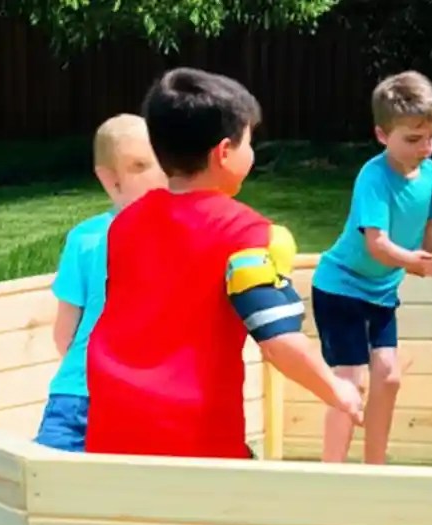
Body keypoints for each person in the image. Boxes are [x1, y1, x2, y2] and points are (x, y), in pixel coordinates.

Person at [83, 67, 364, 458]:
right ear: (224, 152)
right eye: (249, 141)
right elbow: (278, 339)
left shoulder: (124, 223)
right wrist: (338, 390)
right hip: (194, 436)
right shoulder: (246, 234)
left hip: (112, 423)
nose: (253, 151)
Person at [309, 70, 432, 465]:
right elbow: (376, 245)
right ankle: (331, 473)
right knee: (350, 381)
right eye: (412, 139)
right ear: (382, 135)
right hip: (340, 287)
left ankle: (375, 467)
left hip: (380, 293)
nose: (425, 148)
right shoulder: (373, 177)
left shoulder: (431, 174)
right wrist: (420, 267)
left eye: (430, 137)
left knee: (389, 377)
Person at [33, 113, 167, 452]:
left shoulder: (86, 237)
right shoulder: (180, 233)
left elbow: (65, 333)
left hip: (79, 390)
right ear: (109, 180)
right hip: (124, 396)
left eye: (162, 162)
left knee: (50, 485)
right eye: (141, 166)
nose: (158, 174)